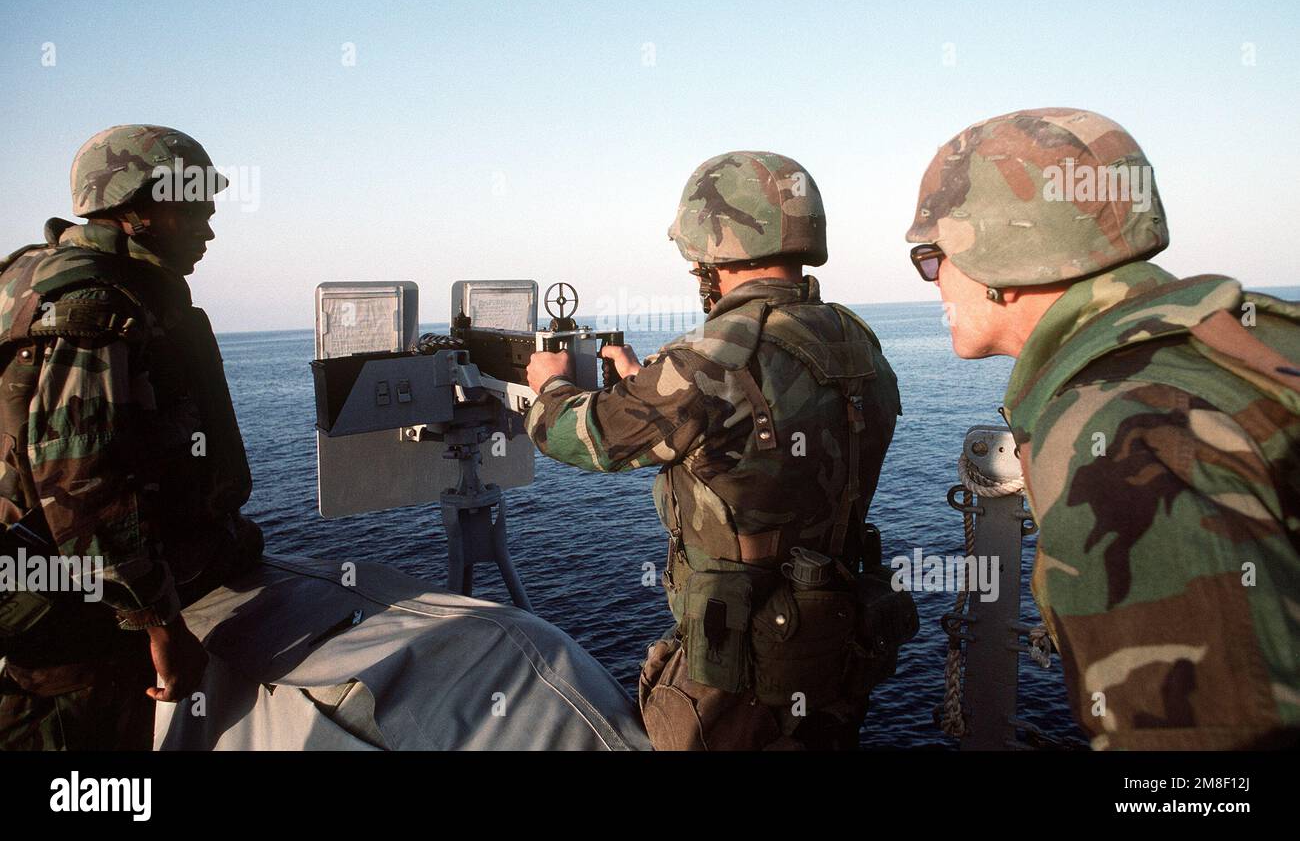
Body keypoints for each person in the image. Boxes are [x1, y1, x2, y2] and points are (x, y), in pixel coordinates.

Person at [906, 107, 1300, 749]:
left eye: (932, 258)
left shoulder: (1107, 425)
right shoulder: (1247, 339)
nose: (934, 282)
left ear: (998, 257)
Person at [526, 151, 907, 750]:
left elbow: (581, 436)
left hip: (743, 665)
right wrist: (648, 382)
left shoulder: (712, 356)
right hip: (835, 638)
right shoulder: (852, 336)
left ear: (711, 253)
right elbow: (756, 428)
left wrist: (550, 385)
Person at [0, 125, 264, 750]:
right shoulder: (95, 305)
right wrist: (156, 620)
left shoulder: (32, 277)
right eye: (193, 208)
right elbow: (80, 485)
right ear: (138, 212)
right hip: (69, 616)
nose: (209, 228)